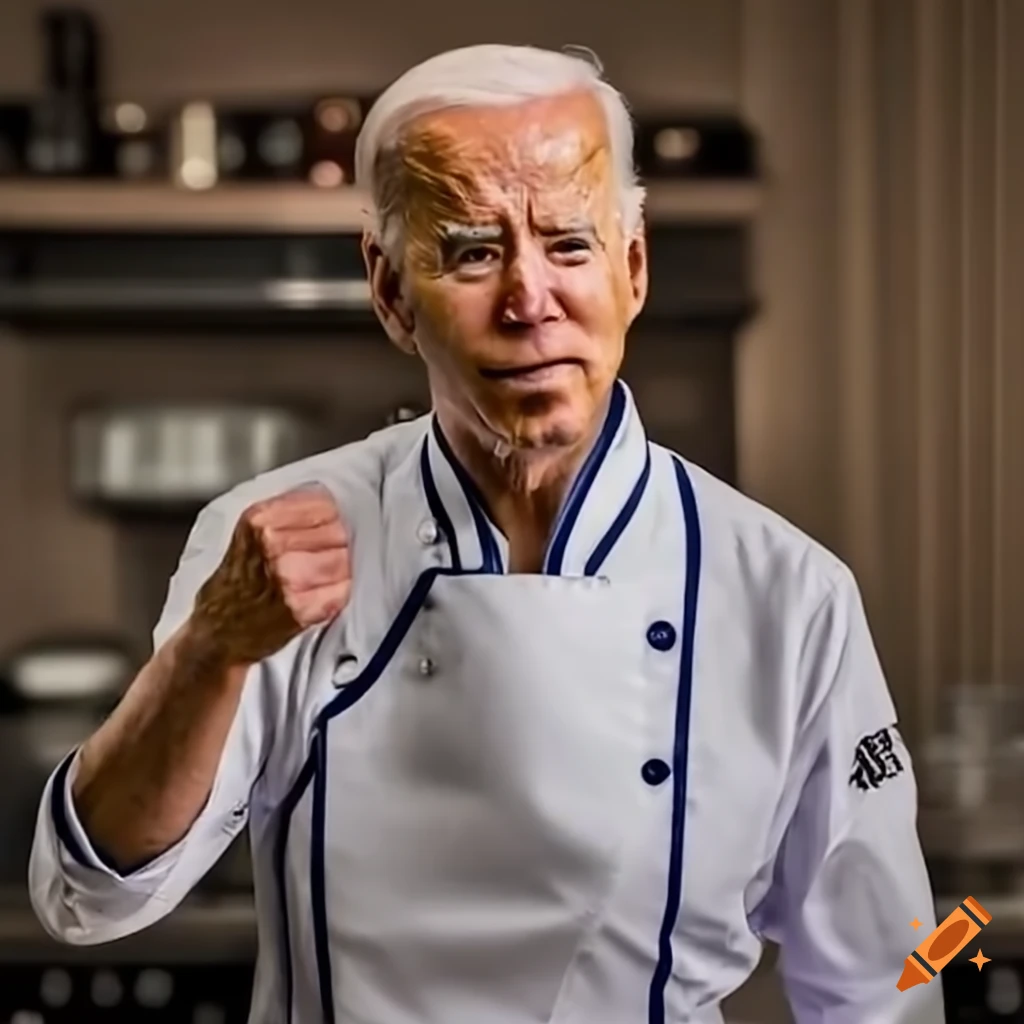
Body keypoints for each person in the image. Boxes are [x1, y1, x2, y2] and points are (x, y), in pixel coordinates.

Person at [28, 43, 944, 1024]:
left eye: (569, 243)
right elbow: (91, 896)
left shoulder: (787, 592)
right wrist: (209, 651)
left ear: (632, 268)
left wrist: (953, 951)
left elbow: (893, 974)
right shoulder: (264, 545)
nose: (527, 300)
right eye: (471, 250)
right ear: (387, 289)